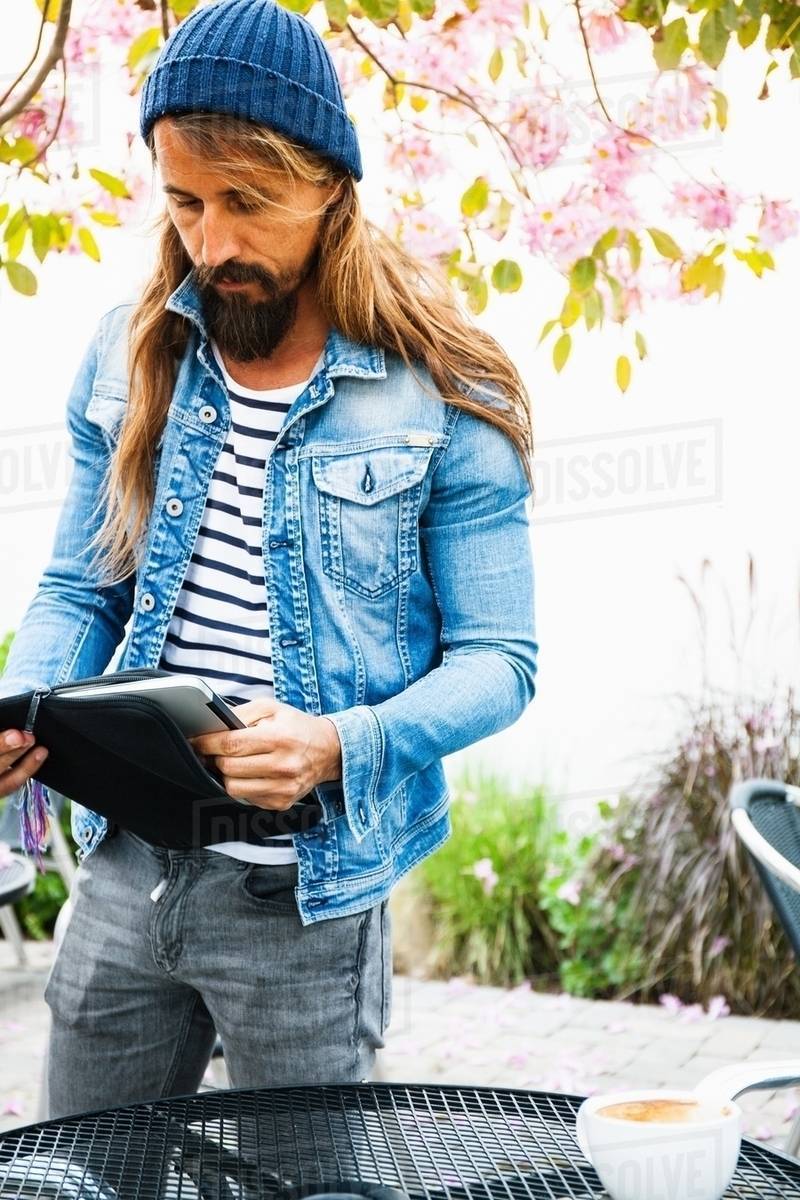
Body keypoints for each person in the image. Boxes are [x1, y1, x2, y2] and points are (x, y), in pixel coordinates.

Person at [0, 0, 538, 1119]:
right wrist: (24, 709)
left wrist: (340, 745)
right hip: (121, 871)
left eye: (247, 203)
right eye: (185, 203)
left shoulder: (446, 393)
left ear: (330, 185)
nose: (214, 244)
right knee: (78, 1181)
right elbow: (77, 589)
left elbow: (500, 660)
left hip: (307, 900)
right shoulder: (127, 351)